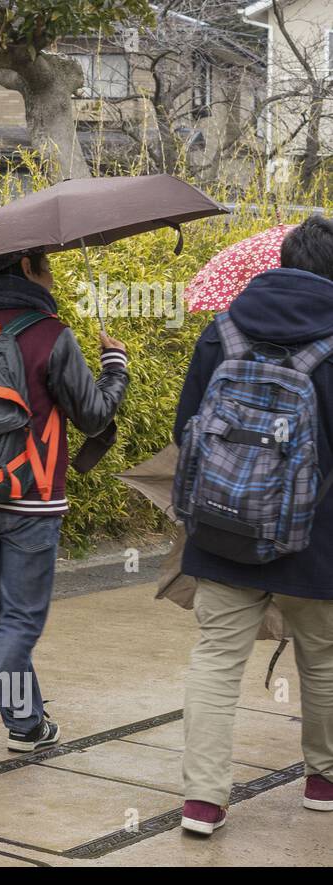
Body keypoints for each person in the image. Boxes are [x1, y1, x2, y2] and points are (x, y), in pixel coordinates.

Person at [0, 249, 130, 778]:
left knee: (4, 611)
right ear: (29, 269)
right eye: (49, 267)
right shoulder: (48, 334)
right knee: (22, 617)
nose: (55, 276)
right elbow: (92, 413)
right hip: (31, 498)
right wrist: (115, 367)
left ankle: (26, 722)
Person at [173, 214, 333, 835]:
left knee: (216, 660)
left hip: (223, 530)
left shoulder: (222, 329)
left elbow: (186, 428)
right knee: (321, 662)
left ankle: (203, 802)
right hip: (316, 538)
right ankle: (322, 780)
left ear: (279, 261)